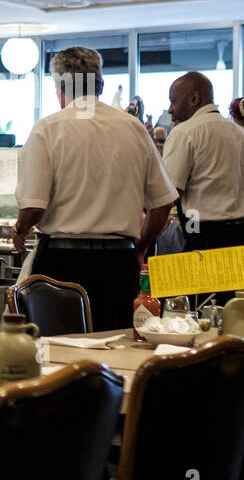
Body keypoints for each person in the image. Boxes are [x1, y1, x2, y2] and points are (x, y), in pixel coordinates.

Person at [11, 47, 176, 331]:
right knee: (120, 346)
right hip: (120, 262)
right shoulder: (133, 128)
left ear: (61, 86)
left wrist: (19, 230)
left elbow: (34, 207)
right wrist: (141, 247)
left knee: (60, 354)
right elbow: (163, 203)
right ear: (99, 84)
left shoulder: (48, 130)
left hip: (62, 266)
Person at [160, 72, 244, 265]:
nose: (170, 109)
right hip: (241, 240)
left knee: (203, 296)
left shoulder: (184, 132)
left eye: (173, 101)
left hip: (205, 240)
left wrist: (144, 238)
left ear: (194, 99)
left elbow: (168, 196)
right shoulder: (240, 133)